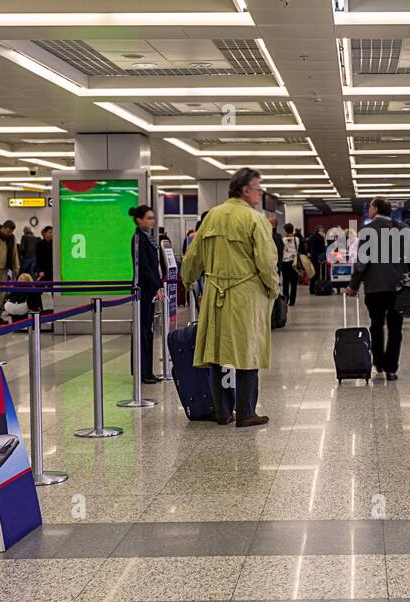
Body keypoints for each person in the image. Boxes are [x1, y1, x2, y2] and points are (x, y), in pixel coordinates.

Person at [180, 167, 278, 427]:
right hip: (246, 295)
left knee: (217, 353)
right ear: (246, 190)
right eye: (258, 188)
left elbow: (192, 257)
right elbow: (267, 262)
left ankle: (222, 412)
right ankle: (246, 412)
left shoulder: (211, 216)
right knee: (248, 353)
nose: (260, 193)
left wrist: (188, 280)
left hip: (214, 294)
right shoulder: (254, 219)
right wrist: (273, 288)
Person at [347, 197, 410, 381]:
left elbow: (361, 263)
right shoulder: (402, 229)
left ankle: (379, 362)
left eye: (371, 208)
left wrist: (353, 286)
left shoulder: (368, 231)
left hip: (375, 288)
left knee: (376, 325)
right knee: (396, 328)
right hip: (398, 288)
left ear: (374, 209)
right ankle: (392, 368)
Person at [129, 204, 164, 385]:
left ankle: (148, 371)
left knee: (148, 331)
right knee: (142, 331)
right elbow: (142, 267)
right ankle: (141, 371)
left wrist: (158, 285)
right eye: (149, 218)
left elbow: (153, 265)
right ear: (139, 220)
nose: (152, 221)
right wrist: (157, 285)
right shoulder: (138, 239)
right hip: (142, 290)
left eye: (152, 218)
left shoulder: (147, 238)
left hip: (149, 289)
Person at [280, 224, 301, 306]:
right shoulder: (297, 239)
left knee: (285, 282)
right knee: (294, 283)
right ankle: (292, 301)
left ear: (285, 230)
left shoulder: (283, 240)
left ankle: (286, 299)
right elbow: (298, 248)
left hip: (285, 262)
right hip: (294, 262)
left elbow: (282, 250)